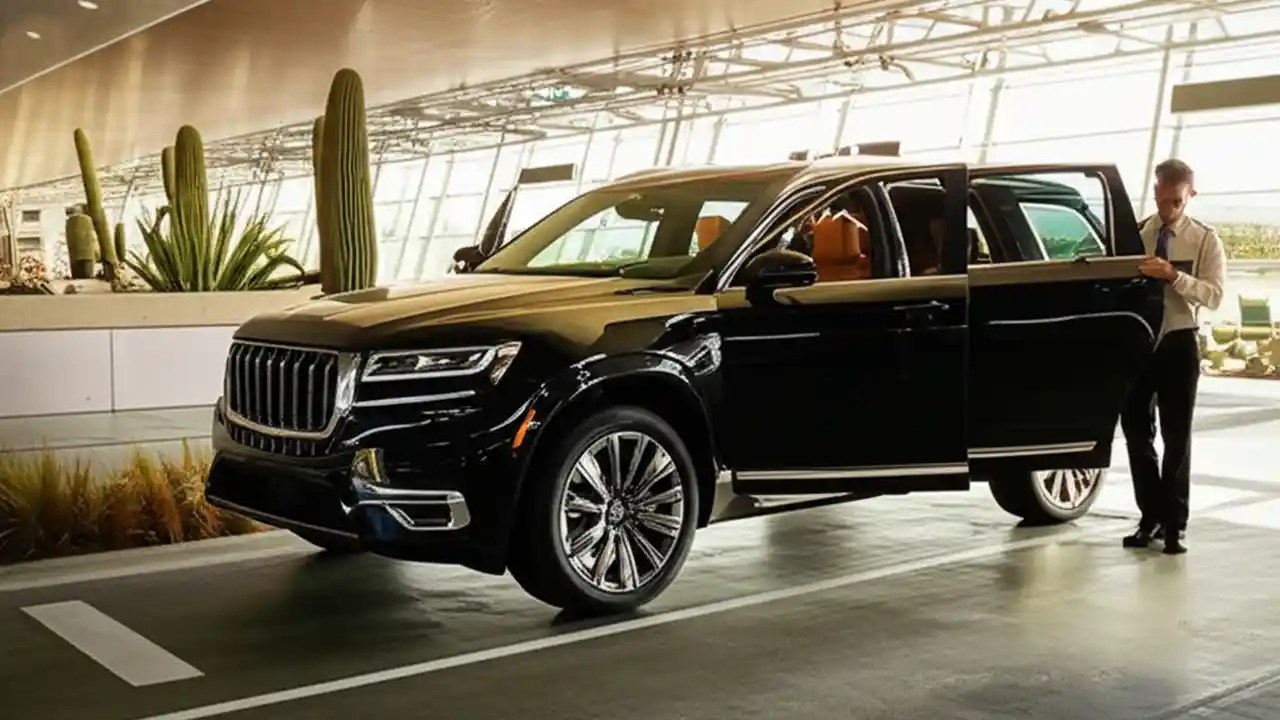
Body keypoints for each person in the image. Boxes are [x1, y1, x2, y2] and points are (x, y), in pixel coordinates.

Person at [1121, 158, 1226, 555]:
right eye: (1162, 201)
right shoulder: (1139, 234)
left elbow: (1214, 296)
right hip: (1140, 345)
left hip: (1180, 341)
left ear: (1190, 196)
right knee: (1136, 432)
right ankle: (1150, 517)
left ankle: (1175, 526)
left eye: (1176, 203)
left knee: (1177, 436)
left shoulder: (1204, 240)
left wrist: (1173, 276)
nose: (1167, 210)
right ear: (1154, 192)